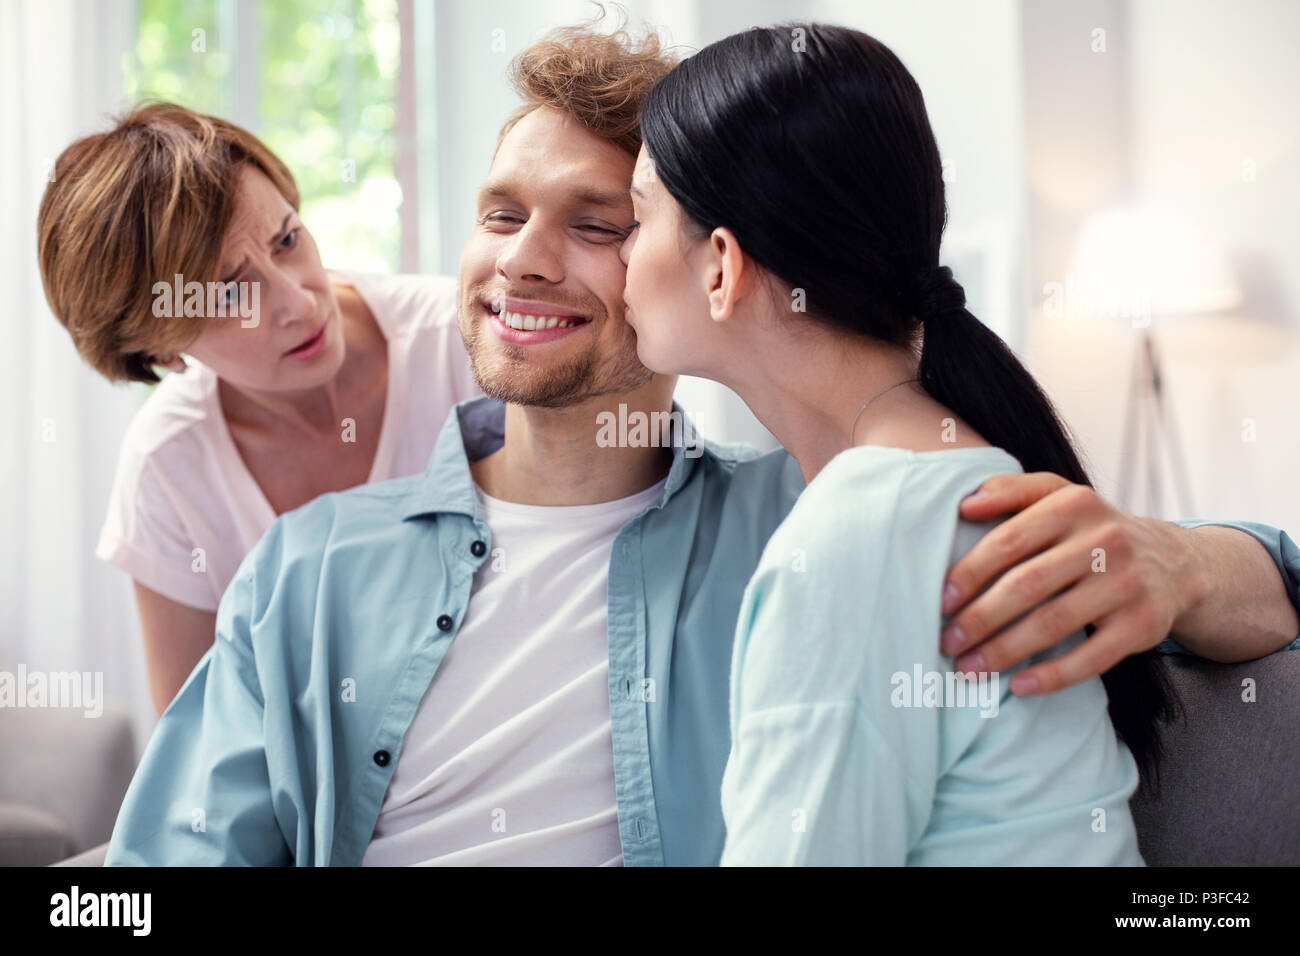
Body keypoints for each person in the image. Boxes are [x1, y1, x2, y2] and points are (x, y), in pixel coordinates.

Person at [103, 20, 1300, 867]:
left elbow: (1263, 584)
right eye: (501, 212)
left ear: (707, 263)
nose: (523, 257)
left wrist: (1189, 559)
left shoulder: (816, 520)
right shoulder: (305, 574)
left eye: (597, 225)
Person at [622, 21, 1300, 864]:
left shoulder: (857, 537)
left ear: (720, 267)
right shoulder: (966, 475)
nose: (621, 256)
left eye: (636, 217)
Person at [37, 104, 480, 713]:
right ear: (161, 349)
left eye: (288, 239)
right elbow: (197, 753)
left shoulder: (467, 345)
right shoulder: (168, 467)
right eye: (230, 292)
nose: (299, 301)